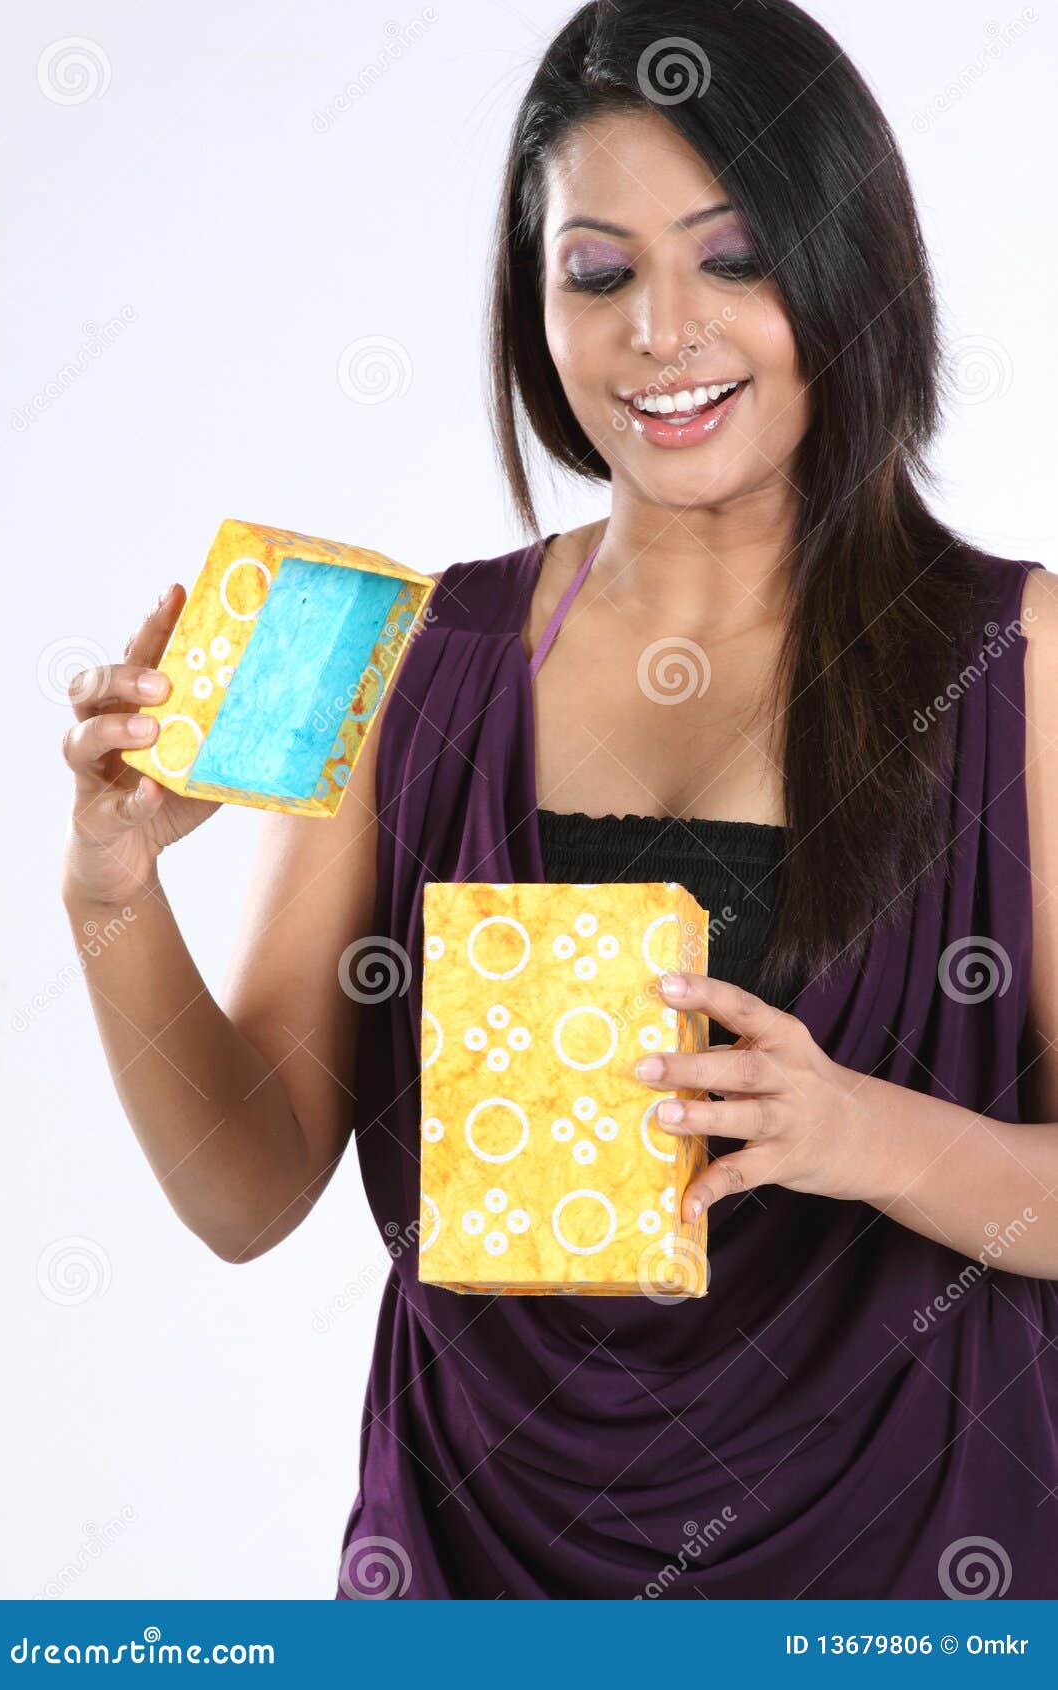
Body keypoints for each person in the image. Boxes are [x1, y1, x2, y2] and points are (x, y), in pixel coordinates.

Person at [61, 0, 1058, 1598]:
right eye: (600, 272)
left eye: (732, 258)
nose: (663, 329)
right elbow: (247, 1194)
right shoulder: (416, 661)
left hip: (909, 1565)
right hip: (474, 1577)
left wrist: (856, 1128)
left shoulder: (1019, 663)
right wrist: (114, 896)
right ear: (538, 314)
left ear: (850, 268)